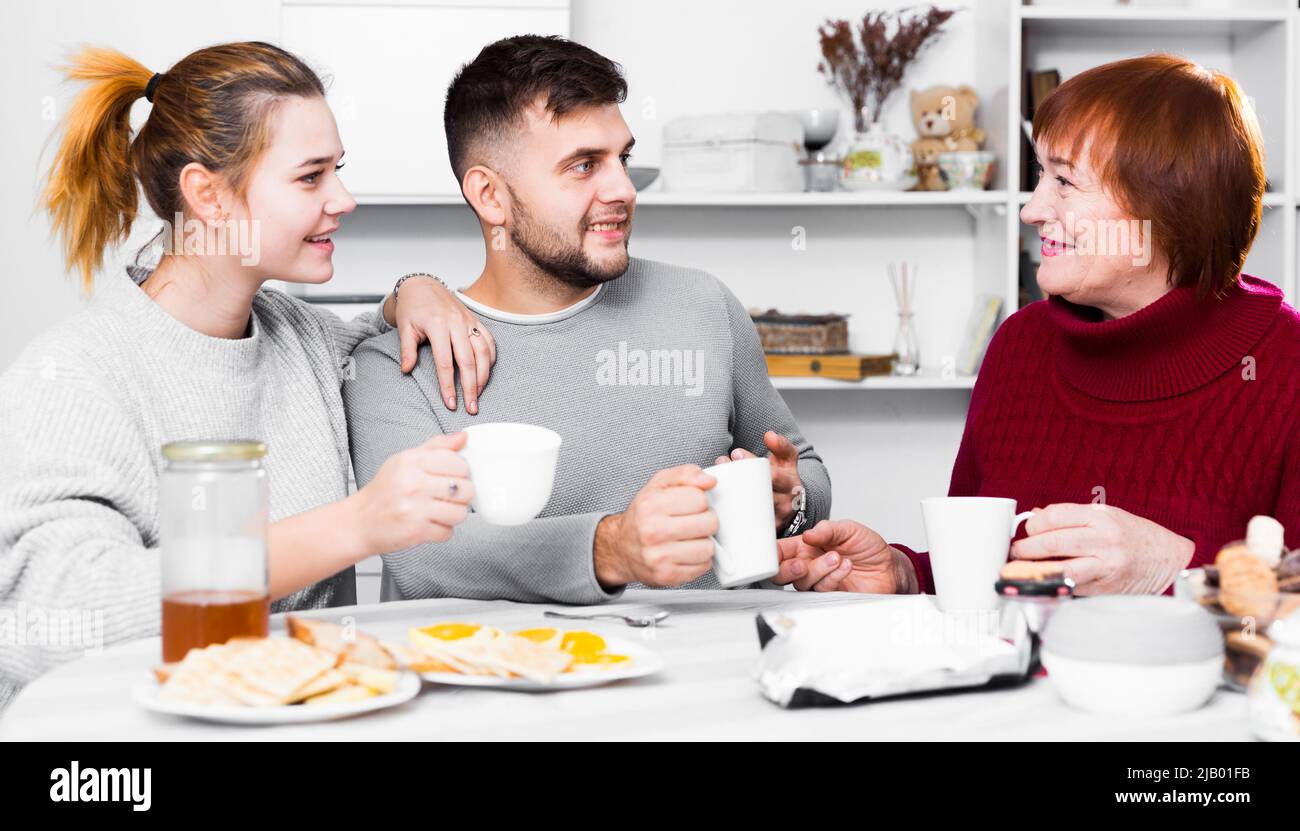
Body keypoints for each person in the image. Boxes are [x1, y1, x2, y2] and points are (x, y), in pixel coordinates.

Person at [0, 42, 498, 708]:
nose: (344, 199)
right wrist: (355, 525)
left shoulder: (298, 337)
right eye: (310, 177)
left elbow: (372, 337)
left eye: (338, 171)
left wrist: (415, 287)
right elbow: (53, 615)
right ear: (208, 195)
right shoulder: (75, 376)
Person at [777, 54, 1300, 597]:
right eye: (1040, 175)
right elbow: (988, 576)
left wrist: (1179, 571)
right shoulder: (1020, 344)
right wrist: (906, 576)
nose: (1031, 210)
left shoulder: (1287, 365)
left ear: (1170, 205)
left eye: (1065, 181)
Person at [343, 35, 833, 604]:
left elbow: (806, 474)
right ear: (490, 196)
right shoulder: (397, 364)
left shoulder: (704, 304)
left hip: (716, 656)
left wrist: (791, 505)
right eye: (583, 166)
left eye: (622, 159)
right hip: (510, 663)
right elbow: (424, 558)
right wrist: (612, 548)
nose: (623, 189)